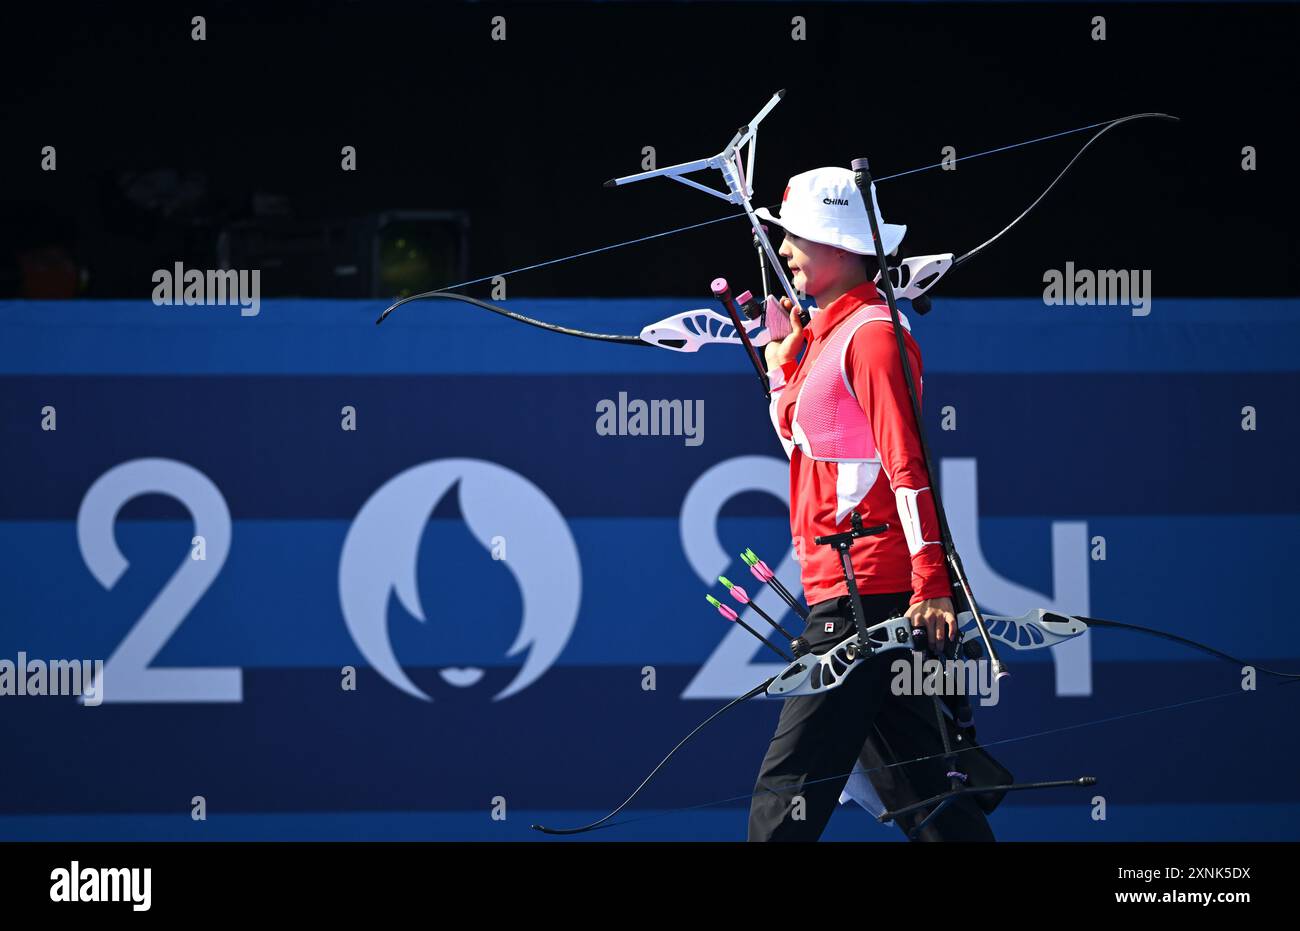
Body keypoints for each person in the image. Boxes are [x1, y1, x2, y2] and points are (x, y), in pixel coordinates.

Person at [747, 167, 994, 842]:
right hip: (854, 591)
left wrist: (932, 582)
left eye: (795, 236)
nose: (786, 251)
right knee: (929, 798)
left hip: (867, 597)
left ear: (835, 242)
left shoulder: (872, 334)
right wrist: (778, 366)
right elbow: (802, 433)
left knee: (783, 796)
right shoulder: (825, 333)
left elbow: (905, 460)